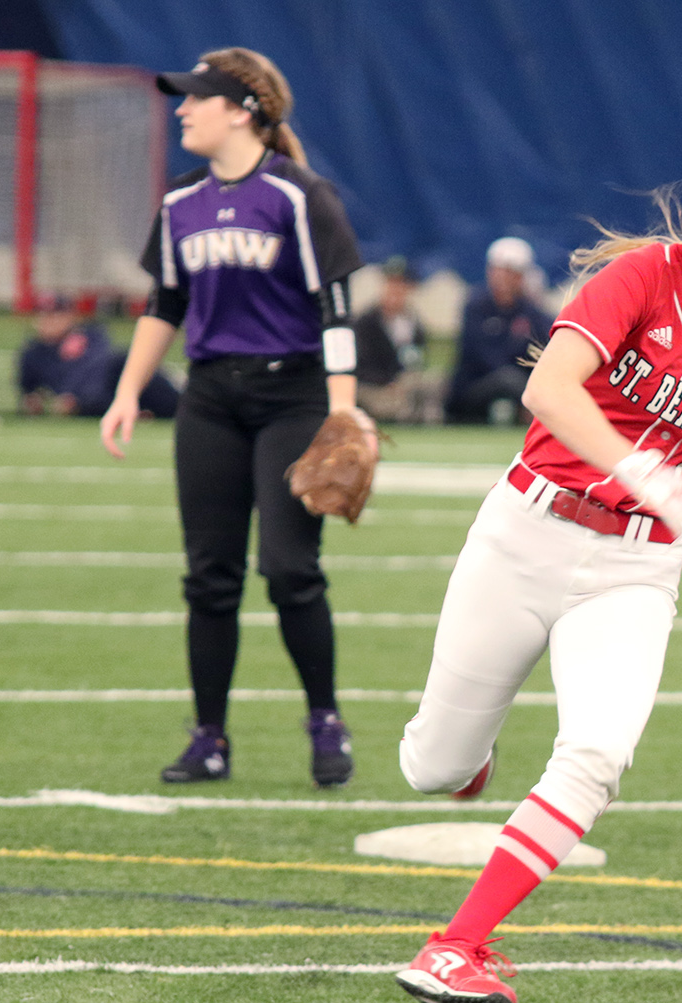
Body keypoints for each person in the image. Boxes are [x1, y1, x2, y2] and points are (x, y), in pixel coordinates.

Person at [392, 137, 682, 1003]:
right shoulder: (640, 281)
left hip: (636, 566)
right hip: (529, 532)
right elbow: (549, 392)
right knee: (429, 767)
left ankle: (458, 946)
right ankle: (469, 760)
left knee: (599, 753)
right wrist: (647, 471)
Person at [98, 47, 367, 788]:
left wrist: (342, 412)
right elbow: (165, 305)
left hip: (295, 396)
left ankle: (325, 719)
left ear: (241, 111)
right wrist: (128, 392)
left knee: (288, 569)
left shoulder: (296, 195)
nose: (182, 109)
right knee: (210, 578)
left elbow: (335, 307)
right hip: (211, 398)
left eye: (196, 98)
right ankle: (209, 739)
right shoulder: (181, 202)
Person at [442, 236, 549, 424]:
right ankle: (535, 413)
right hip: (473, 389)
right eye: (499, 271)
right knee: (508, 379)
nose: (502, 278)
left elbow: (544, 347)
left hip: (517, 388)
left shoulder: (530, 313)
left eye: (511, 272)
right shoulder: (475, 307)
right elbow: (478, 354)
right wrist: (513, 369)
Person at [17, 296, 179, 418]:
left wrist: (74, 398)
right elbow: (29, 390)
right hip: (90, 401)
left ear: (69, 316)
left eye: (56, 315)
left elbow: (99, 367)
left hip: (105, 390)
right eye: (45, 316)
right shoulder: (33, 353)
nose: (50, 322)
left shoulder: (90, 335)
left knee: (123, 362)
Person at [351, 256, 434, 423]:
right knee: (387, 404)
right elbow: (361, 365)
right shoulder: (366, 322)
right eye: (392, 283)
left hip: (403, 384)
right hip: (374, 386)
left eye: (401, 284)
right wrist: (387, 382)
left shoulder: (413, 322)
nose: (396, 290)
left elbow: (417, 358)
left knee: (433, 384)